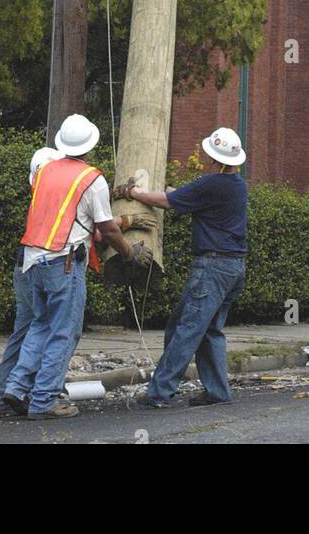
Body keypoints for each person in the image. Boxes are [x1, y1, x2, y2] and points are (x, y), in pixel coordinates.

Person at [2, 114, 136, 420]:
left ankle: (18, 385)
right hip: (63, 263)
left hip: (32, 259)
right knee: (64, 332)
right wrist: (129, 253)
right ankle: (45, 400)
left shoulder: (45, 171)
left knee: (41, 325)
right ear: (90, 144)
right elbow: (107, 230)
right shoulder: (91, 179)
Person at [118, 127, 248, 410]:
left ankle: (160, 392)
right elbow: (188, 198)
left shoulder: (212, 183)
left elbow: (167, 202)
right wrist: (170, 193)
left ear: (216, 159)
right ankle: (217, 391)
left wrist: (135, 192)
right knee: (210, 329)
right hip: (234, 267)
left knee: (185, 328)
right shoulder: (236, 185)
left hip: (212, 266)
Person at [0, 145, 61, 416]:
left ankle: (1, 398)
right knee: (47, 329)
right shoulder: (52, 197)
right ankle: (29, 392)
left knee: (26, 331)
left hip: (25, 266)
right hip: (41, 267)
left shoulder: (37, 194)